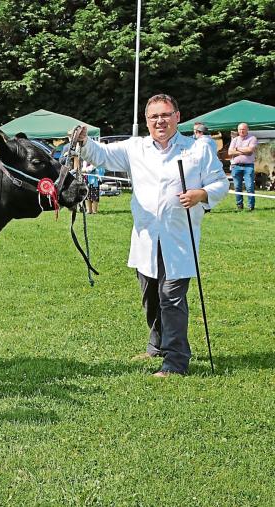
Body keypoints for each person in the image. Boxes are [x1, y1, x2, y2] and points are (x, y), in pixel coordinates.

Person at [75, 94, 229, 377]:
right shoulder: (136, 148)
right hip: (146, 237)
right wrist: (84, 142)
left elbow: (221, 182)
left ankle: (176, 361)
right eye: (154, 116)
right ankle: (156, 344)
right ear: (147, 121)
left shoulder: (197, 149)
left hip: (179, 237)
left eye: (166, 114)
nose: (160, 121)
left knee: (171, 298)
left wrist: (201, 194)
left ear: (177, 117)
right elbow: (101, 155)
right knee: (151, 296)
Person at [228, 122, 258, 211]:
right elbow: (230, 152)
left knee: (249, 187)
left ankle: (250, 206)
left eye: (243, 129)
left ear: (247, 130)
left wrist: (236, 149)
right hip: (236, 166)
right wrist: (243, 151)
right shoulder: (235, 140)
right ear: (238, 130)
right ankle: (239, 205)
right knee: (237, 187)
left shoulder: (252, 138)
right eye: (240, 129)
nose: (242, 131)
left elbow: (250, 150)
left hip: (248, 166)